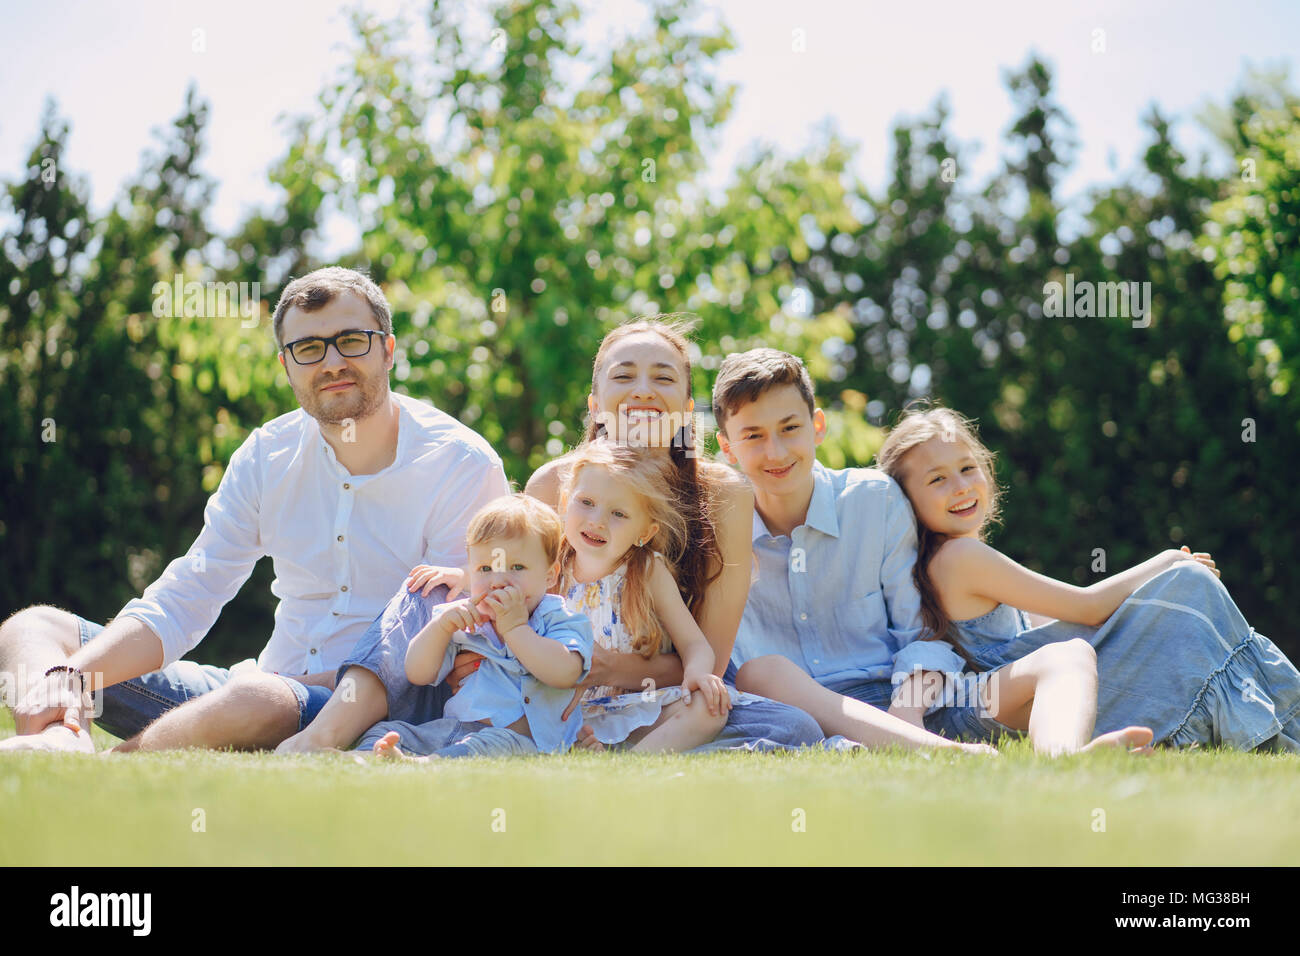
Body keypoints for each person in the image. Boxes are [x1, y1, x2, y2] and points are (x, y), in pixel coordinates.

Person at [0, 267, 508, 754]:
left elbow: (431, 644)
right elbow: (189, 596)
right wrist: (73, 676)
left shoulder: (459, 464)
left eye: (352, 341)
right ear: (287, 366)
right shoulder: (268, 454)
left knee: (257, 697)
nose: (332, 363)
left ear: (388, 350)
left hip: (357, 708)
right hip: (251, 690)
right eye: (308, 348)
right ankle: (61, 736)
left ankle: (108, 768)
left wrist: (279, 686)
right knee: (32, 629)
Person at [875, 402, 1300, 752]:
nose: (961, 486)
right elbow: (1089, 607)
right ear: (908, 503)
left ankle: (1257, 722)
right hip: (991, 702)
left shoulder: (959, 557)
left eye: (968, 468)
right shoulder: (959, 557)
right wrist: (1169, 559)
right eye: (937, 479)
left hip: (1014, 693)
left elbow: (1068, 622)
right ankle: (1271, 720)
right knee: (1189, 585)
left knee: (1179, 600)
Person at [523, 317, 826, 752]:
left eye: (662, 378)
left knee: (792, 728)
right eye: (624, 376)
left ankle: (622, 760)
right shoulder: (552, 486)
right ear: (595, 404)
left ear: (686, 409)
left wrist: (610, 668)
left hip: (660, 702)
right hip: (561, 695)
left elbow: (709, 663)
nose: (643, 390)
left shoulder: (723, 494)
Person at [364, 494, 593, 760]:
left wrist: (516, 629)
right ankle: (365, 757)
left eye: (516, 567)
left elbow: (565, 673)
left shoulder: (557, 617)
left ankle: (427, 766)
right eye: (485, 568)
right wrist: (439, 629)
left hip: (519, 742)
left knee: (486, 745)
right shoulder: (463, 618)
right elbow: (418, 674)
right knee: (389, 730)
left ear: (550, 575)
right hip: (455, 729)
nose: (497, 580)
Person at [558, 441, 730, 752]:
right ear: (565, 501)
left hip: (637, 707)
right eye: (585, 502)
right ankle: (586, 747)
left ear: (645, 533)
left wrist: (697, 673)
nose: (597, 521)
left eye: (619, 513)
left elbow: (694, 644)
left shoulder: (646, 570)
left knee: (709, 708)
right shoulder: (550, 566)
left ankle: (630, 766)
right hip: (568, 711)